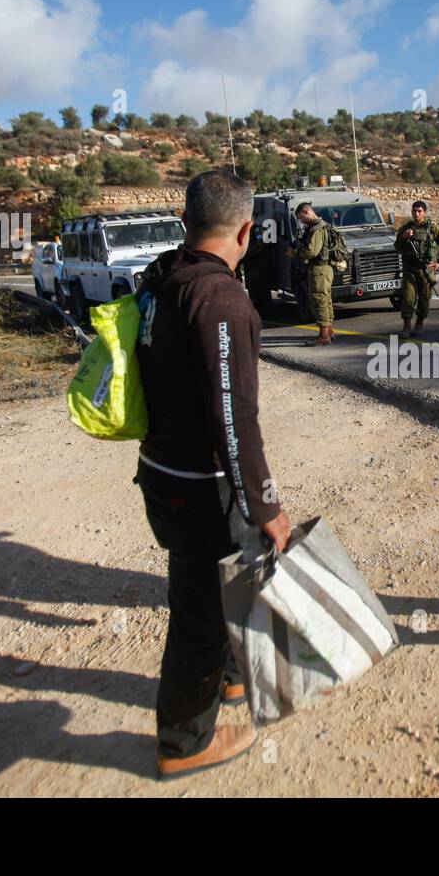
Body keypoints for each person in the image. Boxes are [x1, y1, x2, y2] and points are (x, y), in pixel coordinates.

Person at [135, 171, 292, 779]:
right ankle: (184, 743)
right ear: (248, 230)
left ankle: (230, 682)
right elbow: (235, 419)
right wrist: (267, 506)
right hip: (201, 488)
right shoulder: (223, 300)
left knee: (226, 581)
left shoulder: (162, 278)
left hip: (162, 471)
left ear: (185, 223)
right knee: (199, 614)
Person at [394, 200, 439, 338]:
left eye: (419, 211)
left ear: (424, 212)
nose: (416, 214)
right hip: (410, 269)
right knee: (408, 298)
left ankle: (419, 324)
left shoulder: (432, 228)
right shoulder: (406, 228)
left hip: (426, 270)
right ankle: (406, 327)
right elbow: (397, 246)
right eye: (414, 211)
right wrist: (404, 236)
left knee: (424, 299)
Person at [293, 201, 342, 345]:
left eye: (301, 218)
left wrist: (296, 252)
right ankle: (329, 330)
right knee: (325, 299)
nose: (301, 221)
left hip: (319, 269)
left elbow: (311, 251)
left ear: (307, 212)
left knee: (318, 299)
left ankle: (324, 335)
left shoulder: (316, 229)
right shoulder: (324, 225)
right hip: (325, 269)